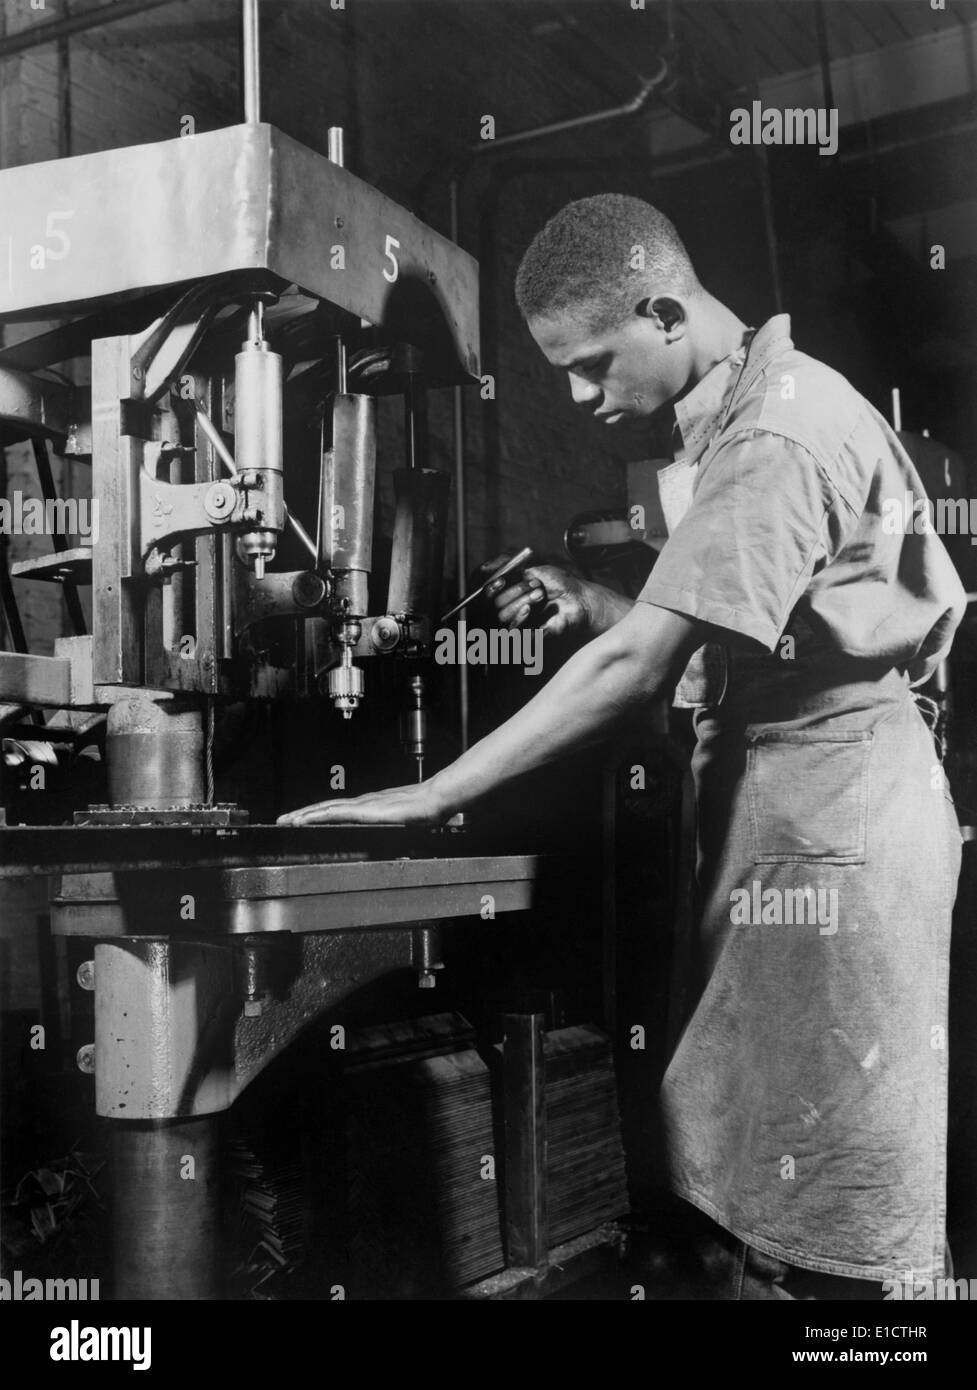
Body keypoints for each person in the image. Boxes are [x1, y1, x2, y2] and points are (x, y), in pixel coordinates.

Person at [280, 195, 965, 1298]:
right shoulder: (747, 410)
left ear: (662, 311)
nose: (577, 397)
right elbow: (747, 637)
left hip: (832, 828)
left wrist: (428, 794)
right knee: (783, 1171)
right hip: (792, 809)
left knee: (835, 1199)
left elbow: (641, 668)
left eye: (592, 365)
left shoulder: (777, 430)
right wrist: (601, 601)